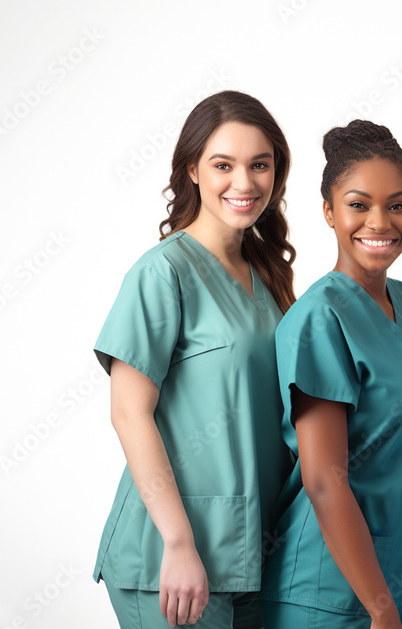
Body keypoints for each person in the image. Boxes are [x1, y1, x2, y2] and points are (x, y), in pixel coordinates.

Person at [92, 90, 296, 628]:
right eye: (223, 165)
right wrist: (179, 544)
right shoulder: (163, 272)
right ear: (192, 171)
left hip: (253, 555)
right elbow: (128, 412)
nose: (244, 182)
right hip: (170, 557)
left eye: (260, 165)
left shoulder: (268, 276)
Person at [260, 120, 402, 629]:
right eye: (359, 205)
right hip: (327, 592)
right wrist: (381, 609)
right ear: (328, 212)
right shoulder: (319, 317)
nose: (379, 222)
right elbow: (323, 481)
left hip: (400, 582)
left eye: (397, 205)